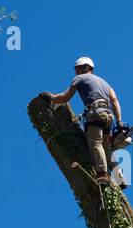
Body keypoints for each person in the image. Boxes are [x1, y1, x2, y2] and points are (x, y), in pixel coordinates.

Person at [45, 56, 124, 184]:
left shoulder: (80, 78)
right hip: (109, 117)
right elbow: (115, 101)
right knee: (106, 148)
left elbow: (65, 98)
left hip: (95, 113)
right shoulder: (105, 83)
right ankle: (120, 177)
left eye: (77, 69)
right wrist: (119, 122)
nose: (76, 72)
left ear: (85, 68)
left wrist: (51, 98)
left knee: (95, 144)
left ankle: (102, 174)